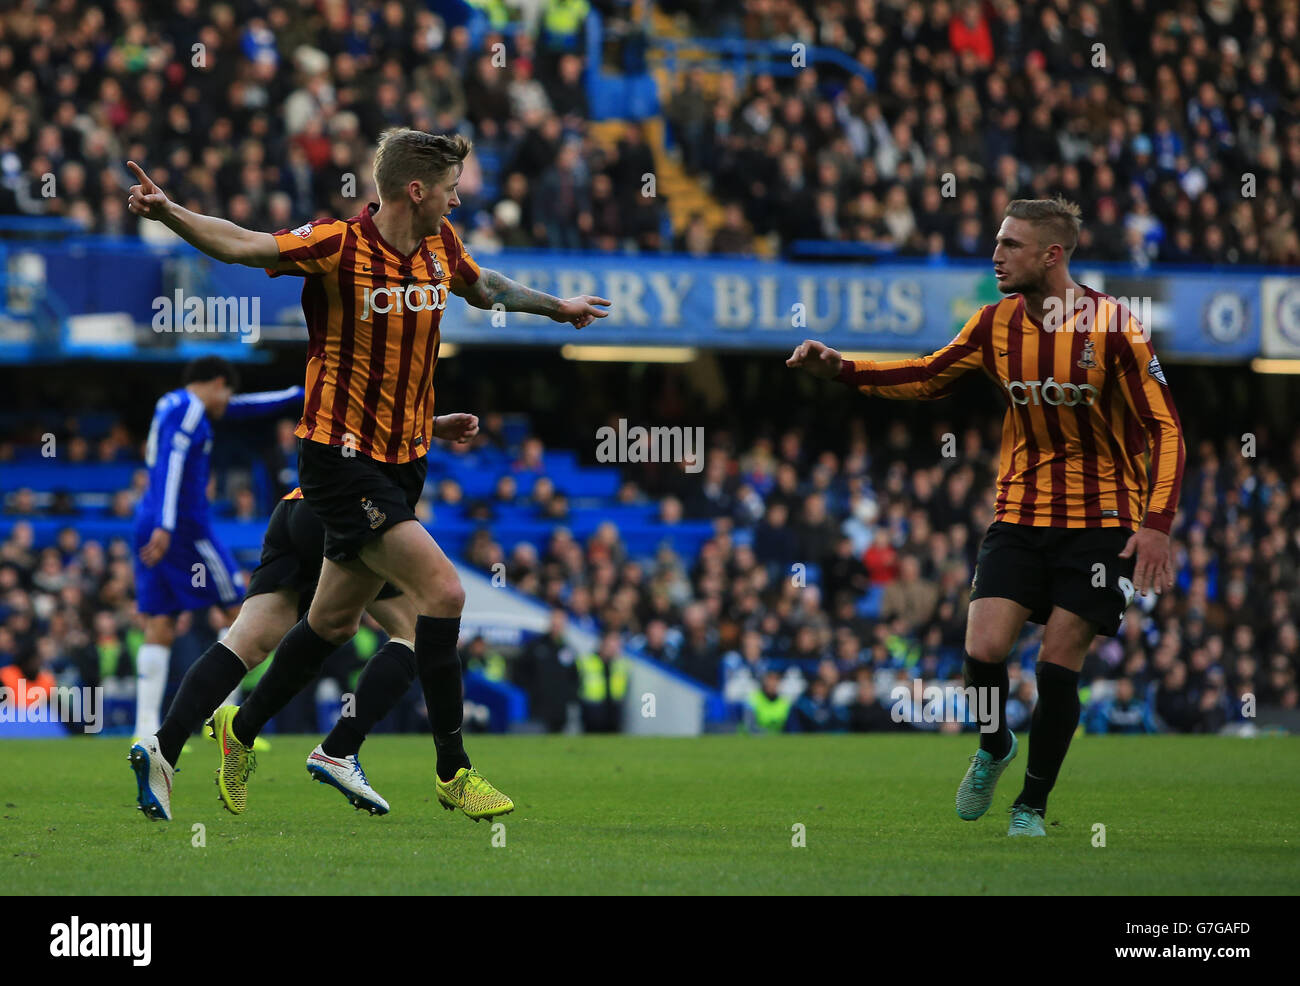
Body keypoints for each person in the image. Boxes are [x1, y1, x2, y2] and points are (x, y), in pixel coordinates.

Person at [126, 128, 610, 821]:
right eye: (449, 188)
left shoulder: (441, 248)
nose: (458, 198)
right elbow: (245, 244)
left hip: (400, 462)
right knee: (441, 594)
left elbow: (486, 287)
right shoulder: (338, 245)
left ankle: (177, 744)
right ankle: (454, 772)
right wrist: (171, 212)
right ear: (417, 190)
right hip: (339, 462)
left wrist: (555, 307)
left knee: (323, 622)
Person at [788, 196, 1184, 837]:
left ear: (1051, 255)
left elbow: (1166, 427)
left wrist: (1157, 524)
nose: (996, 255)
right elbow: (926, 375)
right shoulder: (993, 325)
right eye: (998, 242)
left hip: (1102, 520)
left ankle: (1030, 806)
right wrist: (842, 368)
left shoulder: (1115, 328)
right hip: (1021, 512)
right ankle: (994, 742)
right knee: (982, 648)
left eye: (1011, 245)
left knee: (1057, 663)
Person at [131, 356, 303, 740]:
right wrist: (167, 523)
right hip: (185, 527)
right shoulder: (192, 409)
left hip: (149, 519)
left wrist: (297, 395)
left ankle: (144, 730)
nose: (229, 401)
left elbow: (247, 407)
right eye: (227, 392)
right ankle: (229, 725)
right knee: (237, 610)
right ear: (218, 382)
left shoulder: (172, 404)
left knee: (160, 620)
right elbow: (172, 464)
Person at [576, 630, 629, 733]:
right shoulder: (587, 661)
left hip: (614, 711)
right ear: (603, 643)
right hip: (592, 711)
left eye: (617, 643)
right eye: (611, 643)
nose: (614, 647)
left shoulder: (621, 663)